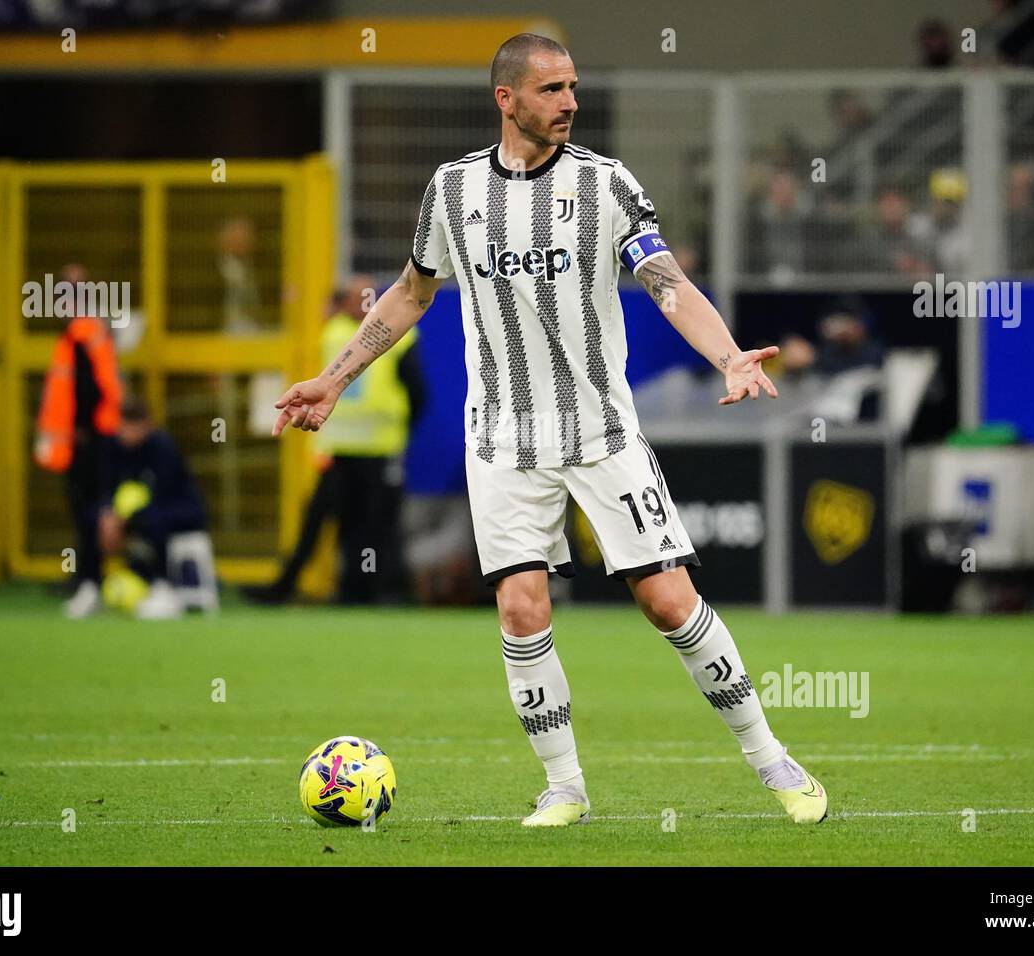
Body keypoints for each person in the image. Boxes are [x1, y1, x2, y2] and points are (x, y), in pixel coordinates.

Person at [271, 34, 827, 827]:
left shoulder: (605, 185)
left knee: (670, 602)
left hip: (601, 432)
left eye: (574, 87)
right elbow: (410, 292)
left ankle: (773, 761)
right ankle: (564, 787)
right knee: (521, 609)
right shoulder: (453, 189)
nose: (570, 102)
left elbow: (666, 283)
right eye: (553, 89)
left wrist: (729, 354)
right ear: (507, 99)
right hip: (499, 439)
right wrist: (333, 377)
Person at [245, 275, 426, 604]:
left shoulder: (392, 335)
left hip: (378, 449)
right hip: (339, 450)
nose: (365, 303)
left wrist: (399, 431)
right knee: (329, 521)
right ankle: (300, 586)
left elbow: (418, 393)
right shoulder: (336, 333)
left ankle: (370, 591)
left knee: (372, 527)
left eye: (370, 296)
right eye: (355, 296)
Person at [32, 263, 123, 618]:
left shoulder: (83, 332)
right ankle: (85, 578)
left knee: (89, 513)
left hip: (89, 440)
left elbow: (89, 389)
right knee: (87, 512)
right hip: (92, 437)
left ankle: (89, 581)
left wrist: (82, 429)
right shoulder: (89, 329)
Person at [96, 398, 207, 619]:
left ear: (147, 425)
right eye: (124, 426)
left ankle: (162, 585)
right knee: (94, 518)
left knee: (155, 521)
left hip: (182, 511)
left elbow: (162, 495)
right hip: (132, 515)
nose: (128, 432)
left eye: (134, 426)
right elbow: (105, 488)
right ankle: (92, 583)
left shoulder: (162, 447)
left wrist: (125, 519)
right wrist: (107, 513)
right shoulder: (113, 448)